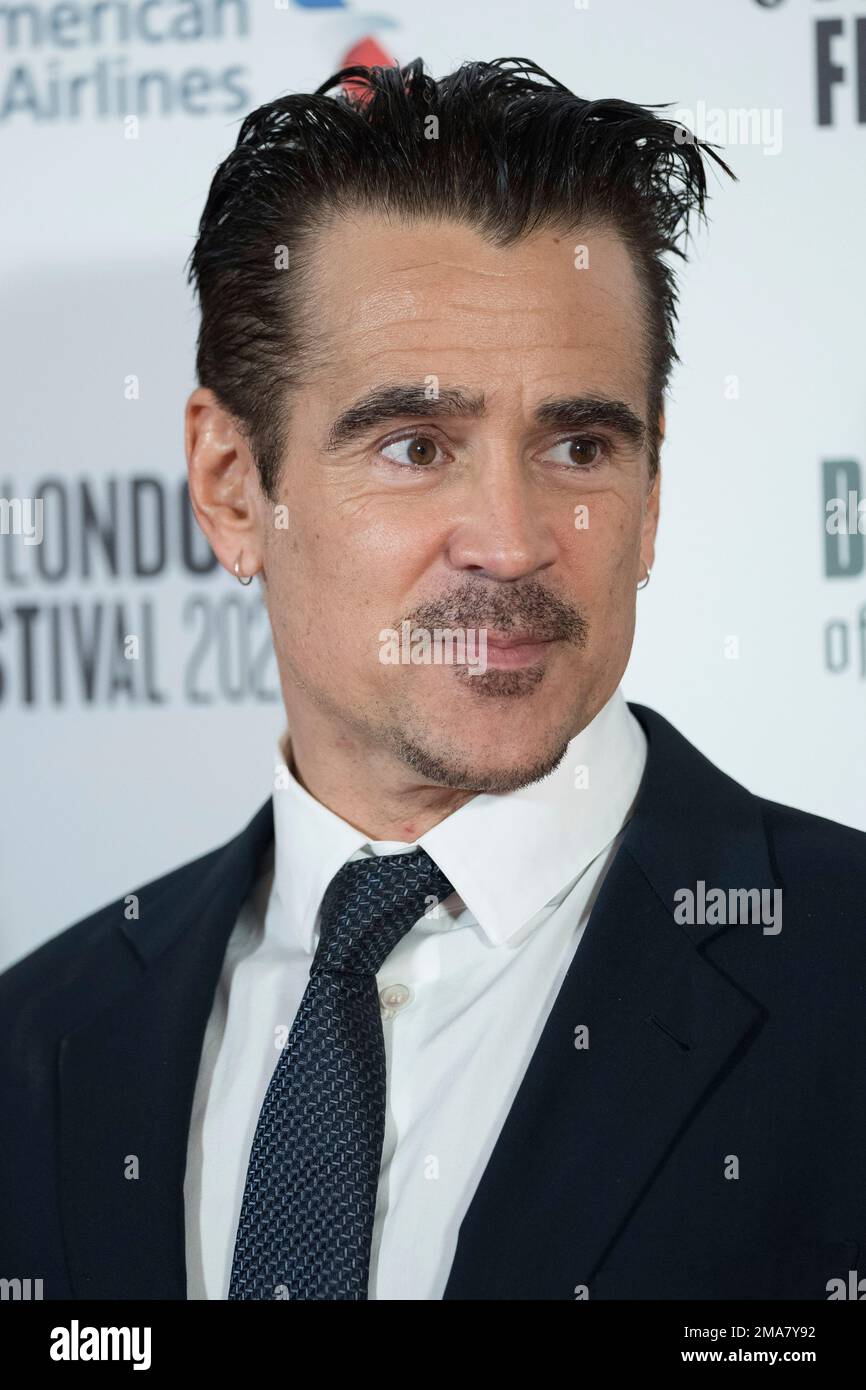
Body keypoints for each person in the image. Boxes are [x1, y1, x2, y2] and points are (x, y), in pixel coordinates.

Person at [2, 57, 864, 1302]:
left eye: (578, 445)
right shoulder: (41, 1045)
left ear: (652, 491)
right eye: (414, 445)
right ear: (232, 486)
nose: (512, 541)